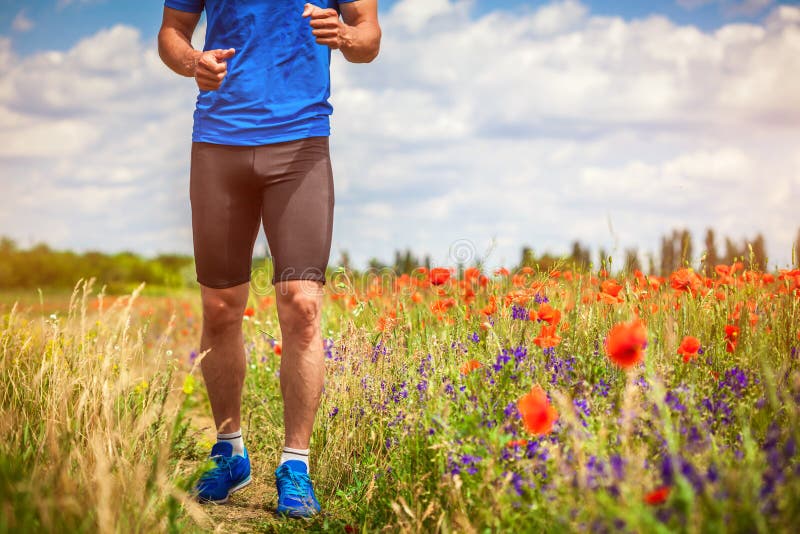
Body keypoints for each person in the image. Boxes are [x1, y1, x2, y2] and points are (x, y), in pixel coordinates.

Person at [157, 0, 380, 518]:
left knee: (301, 303)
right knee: (219, 308)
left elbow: (370, 37)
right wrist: (193, 61)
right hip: (217, 143)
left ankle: (295, 465)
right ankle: (230, 450)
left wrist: (344, 37)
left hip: (301, 144)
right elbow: (171, 32)